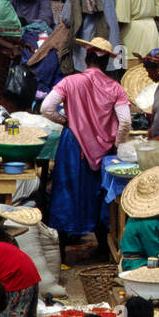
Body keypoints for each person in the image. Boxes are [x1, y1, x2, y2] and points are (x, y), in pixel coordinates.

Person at [42, 37, 131, 239]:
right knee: (98, 193)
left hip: (72, 144)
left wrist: (64, 120)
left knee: (67, 191)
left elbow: (46, 108)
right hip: (103, 149)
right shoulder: (115, 87)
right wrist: (117, 145)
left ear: (87, 59)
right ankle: (102, 244)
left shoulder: (70, 82)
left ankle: (63, 245)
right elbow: (125, 122)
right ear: (106, 63)